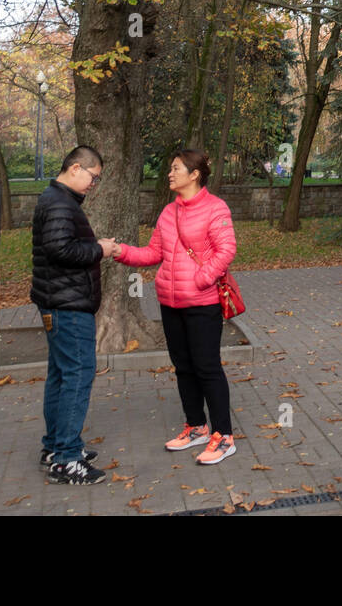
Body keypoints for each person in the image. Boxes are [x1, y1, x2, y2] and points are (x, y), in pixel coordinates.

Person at [109, 148, 238, 465]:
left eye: (176, 168)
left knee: (207, 367)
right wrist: (121, 251)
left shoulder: (215, 208)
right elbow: (154, 253)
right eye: (170, 168)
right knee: (183, 368)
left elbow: (226, 249)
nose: (170, 173)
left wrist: (201, 278)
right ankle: (196, 426)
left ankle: (224, 437)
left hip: (202, 302)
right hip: (170, 301)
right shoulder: (169, 213)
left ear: (194, 174)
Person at [30, 144, 117, 485]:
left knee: (61, 375)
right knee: (78, 375)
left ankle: (56, 447)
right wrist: (100, 249)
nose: (93, 185)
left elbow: (59, 245)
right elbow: (60, 249)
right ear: (76, 168)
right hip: (67, 305)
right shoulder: (59, 203)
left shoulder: (56, 200)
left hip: (58, 300)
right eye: (93, 177)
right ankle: (65, 459)